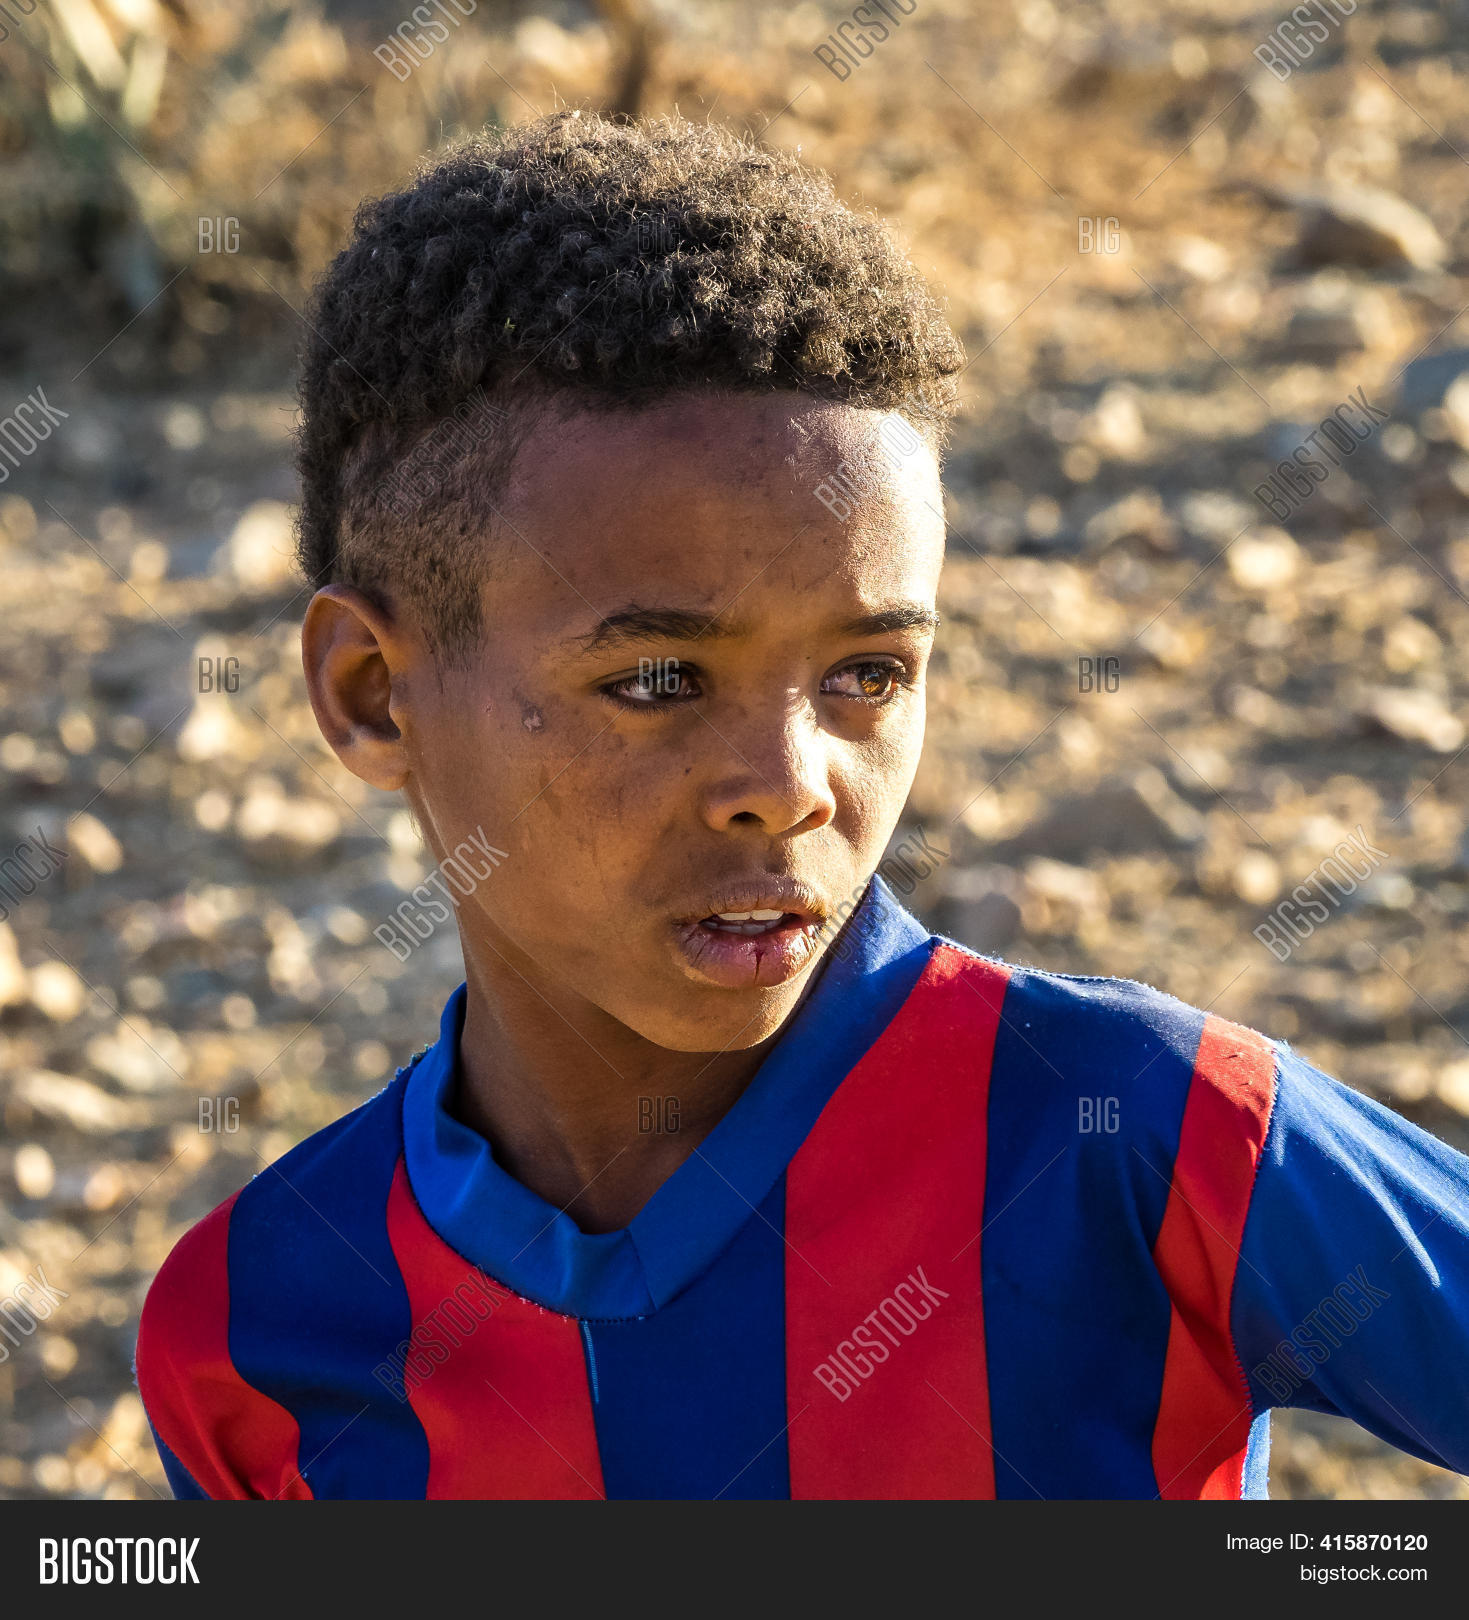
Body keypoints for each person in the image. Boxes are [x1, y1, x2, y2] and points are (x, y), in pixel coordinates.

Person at [135, 110, 1469, 1500]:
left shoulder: (1137, 1132)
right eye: (656, 680)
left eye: (866, 675)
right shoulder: (255, 1329)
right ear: (370, 694)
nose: (789, 785)